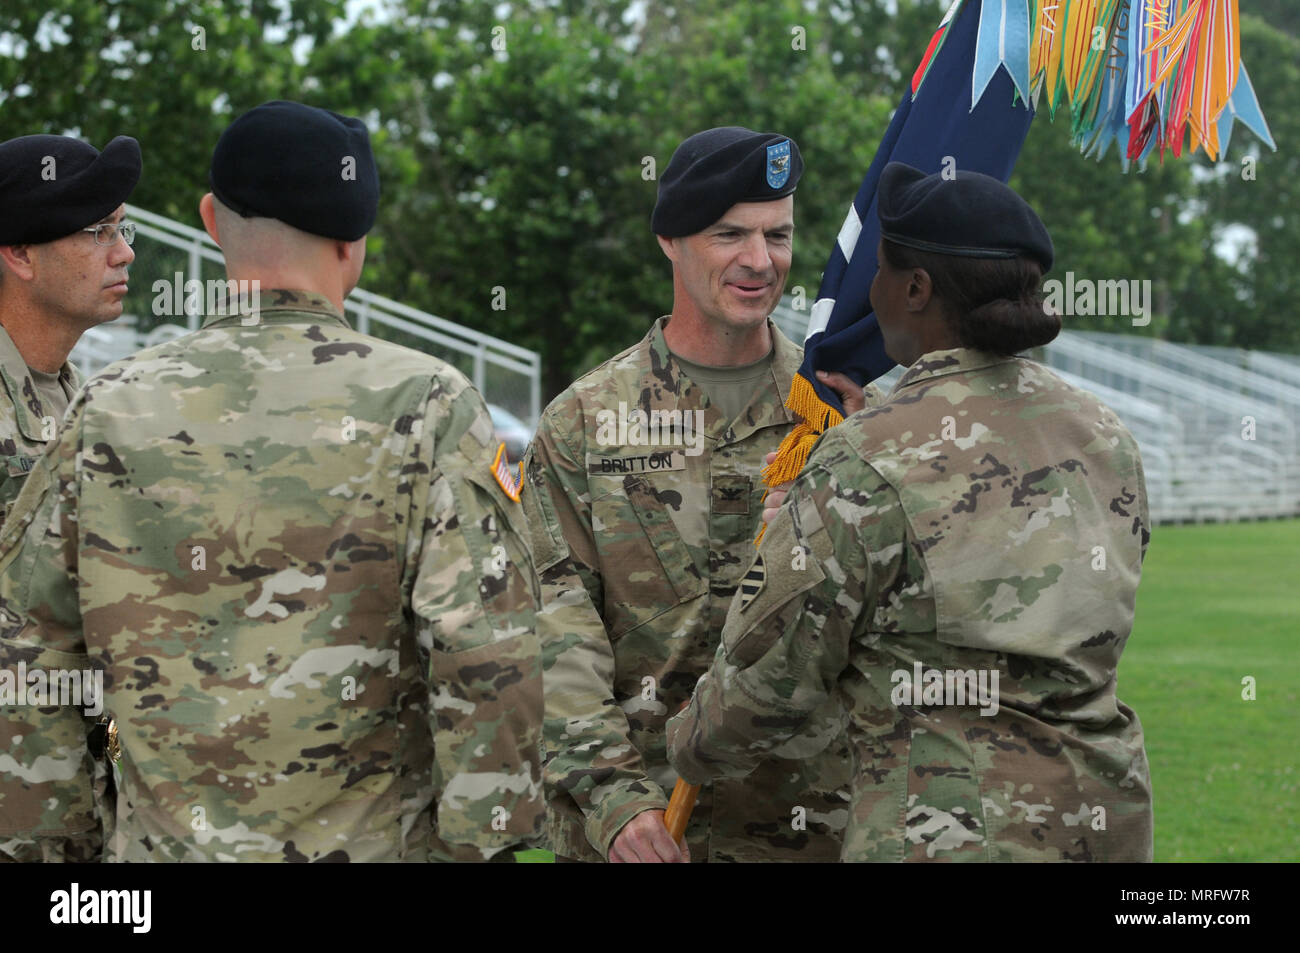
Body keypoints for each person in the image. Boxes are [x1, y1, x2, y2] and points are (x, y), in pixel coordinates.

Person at [0, 101, 544, 863]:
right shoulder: (431, 405)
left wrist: (64, 865)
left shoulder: (108, 406)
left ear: (211, 222)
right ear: (355, 244)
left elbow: (30, 654)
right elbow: (491, 665)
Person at [667, 161, 1155, 862]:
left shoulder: (866, 455)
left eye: (882, 272)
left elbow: (769, 680)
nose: (871, 293)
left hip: (950, 829)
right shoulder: (1105, 434)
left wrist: (684, 744)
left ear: (916, 289)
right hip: (1105, 821)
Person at [523, 126, 873, 862]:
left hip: (808, 827)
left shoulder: (837, 415)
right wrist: (615, 802)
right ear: (669, 242)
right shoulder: (585, 422)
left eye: (777, 235)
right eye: (729, 234)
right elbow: (551, 632)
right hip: (636, 835)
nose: (759, 261)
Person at [0, 134, 141, 528]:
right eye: (99, 231)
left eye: (121, 228)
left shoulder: (81, 397)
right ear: (22, 254)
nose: (125, 253)